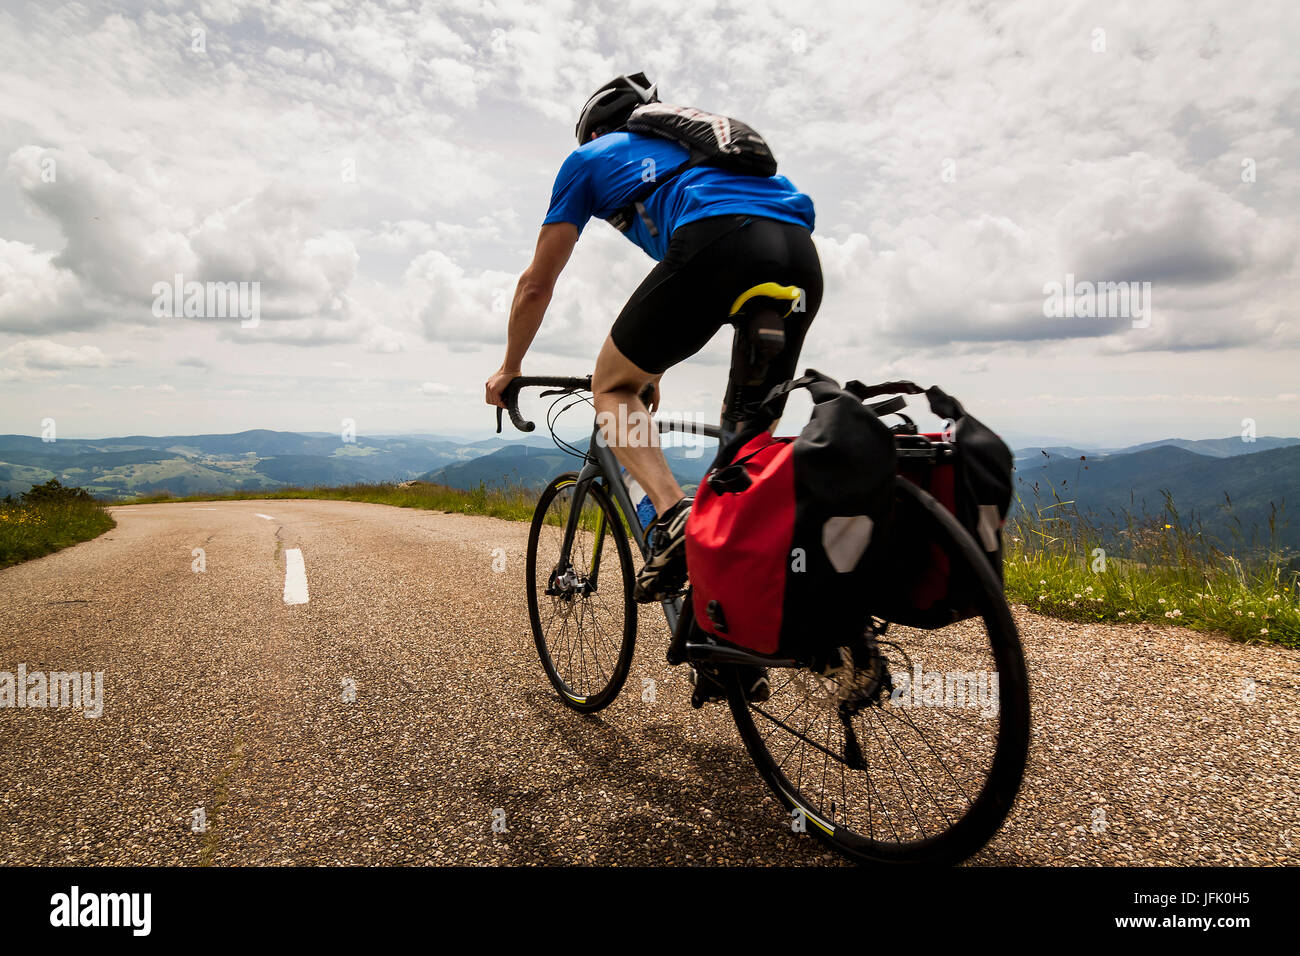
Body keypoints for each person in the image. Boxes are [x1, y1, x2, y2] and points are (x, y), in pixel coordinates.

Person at [485, 72, 823, 604]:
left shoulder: (590, 159)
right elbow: (680, 289)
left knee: (611, 388)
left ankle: (671, 519)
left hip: (719, 241)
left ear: (594, 132)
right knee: (742, 459)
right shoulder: (696, 157)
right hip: (799, 257)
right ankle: (742, 635)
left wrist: (509, 367)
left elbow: (536, 284)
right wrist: (655, 368)